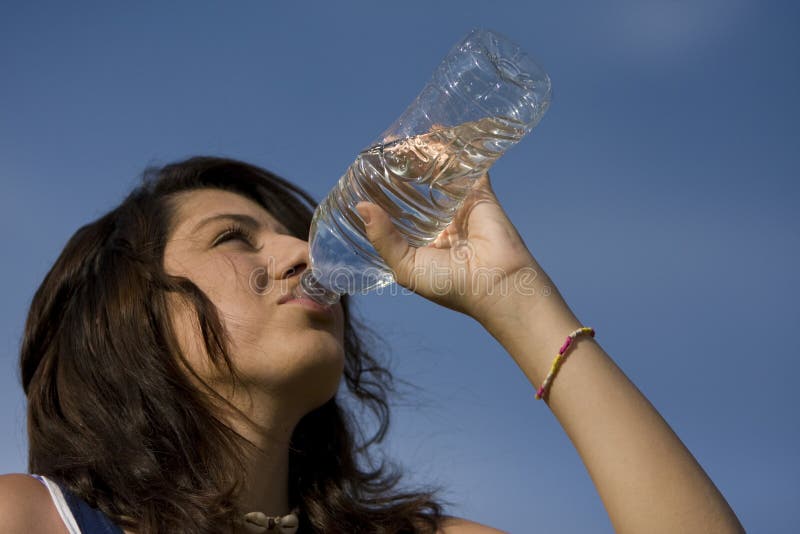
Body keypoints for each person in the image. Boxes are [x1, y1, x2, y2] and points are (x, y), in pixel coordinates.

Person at [0, 156, 744, 533]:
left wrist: (517, 300)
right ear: (125, 318)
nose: (301, 252)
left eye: (296, 233)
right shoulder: (31, 520)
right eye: (234, 238)